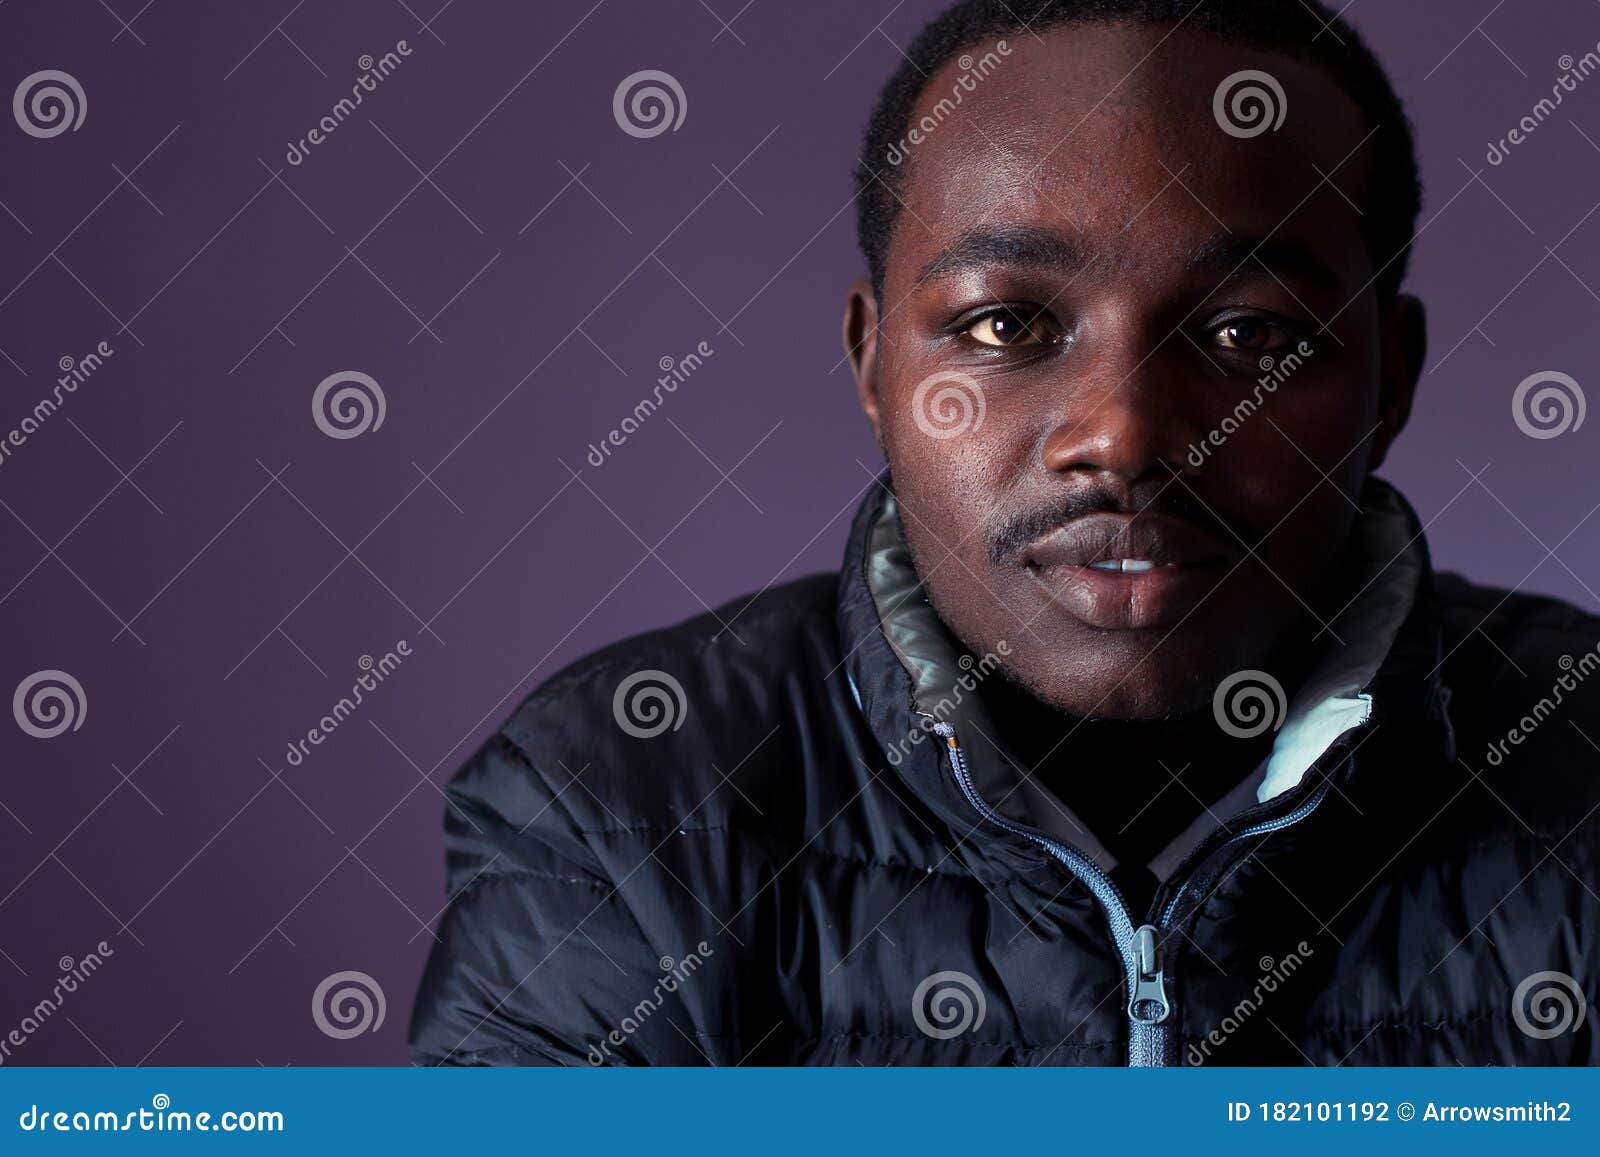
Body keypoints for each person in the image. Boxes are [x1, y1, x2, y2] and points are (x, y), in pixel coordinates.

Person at [410, 0, 1599, 1066]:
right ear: (873, 364)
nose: (1124, 436)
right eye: (1005, 324)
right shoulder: (621, 794)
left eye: (1248, 334)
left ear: (1390, 378)